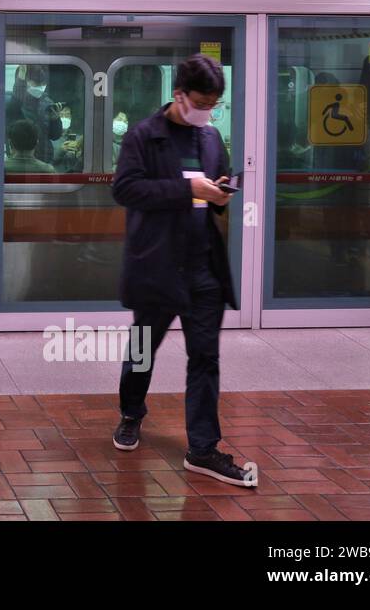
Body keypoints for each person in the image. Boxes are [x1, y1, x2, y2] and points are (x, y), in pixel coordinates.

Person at [110, 54, 256, 487]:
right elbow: (125, 189)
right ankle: (130, 413)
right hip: (156, 263)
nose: (207, 110)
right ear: (179, 95)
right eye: (200, 101)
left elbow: (221, 175)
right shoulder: (143, 136)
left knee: (206, 357)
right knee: (142, 348)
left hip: (203, 265)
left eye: (214, 103)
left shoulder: (210, 137)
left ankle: (203, 448)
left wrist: (221, 193)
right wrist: (186, 188)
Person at [5, 64, 62, 164]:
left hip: (45, 158)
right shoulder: (14, 104)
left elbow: (55, 136)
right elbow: (16, 101)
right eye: (35, 83)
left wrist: (55, 120)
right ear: (23, 83)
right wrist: (21, 76)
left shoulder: (47, 102)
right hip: (20, 159)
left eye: (42, 83)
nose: (39, 87)